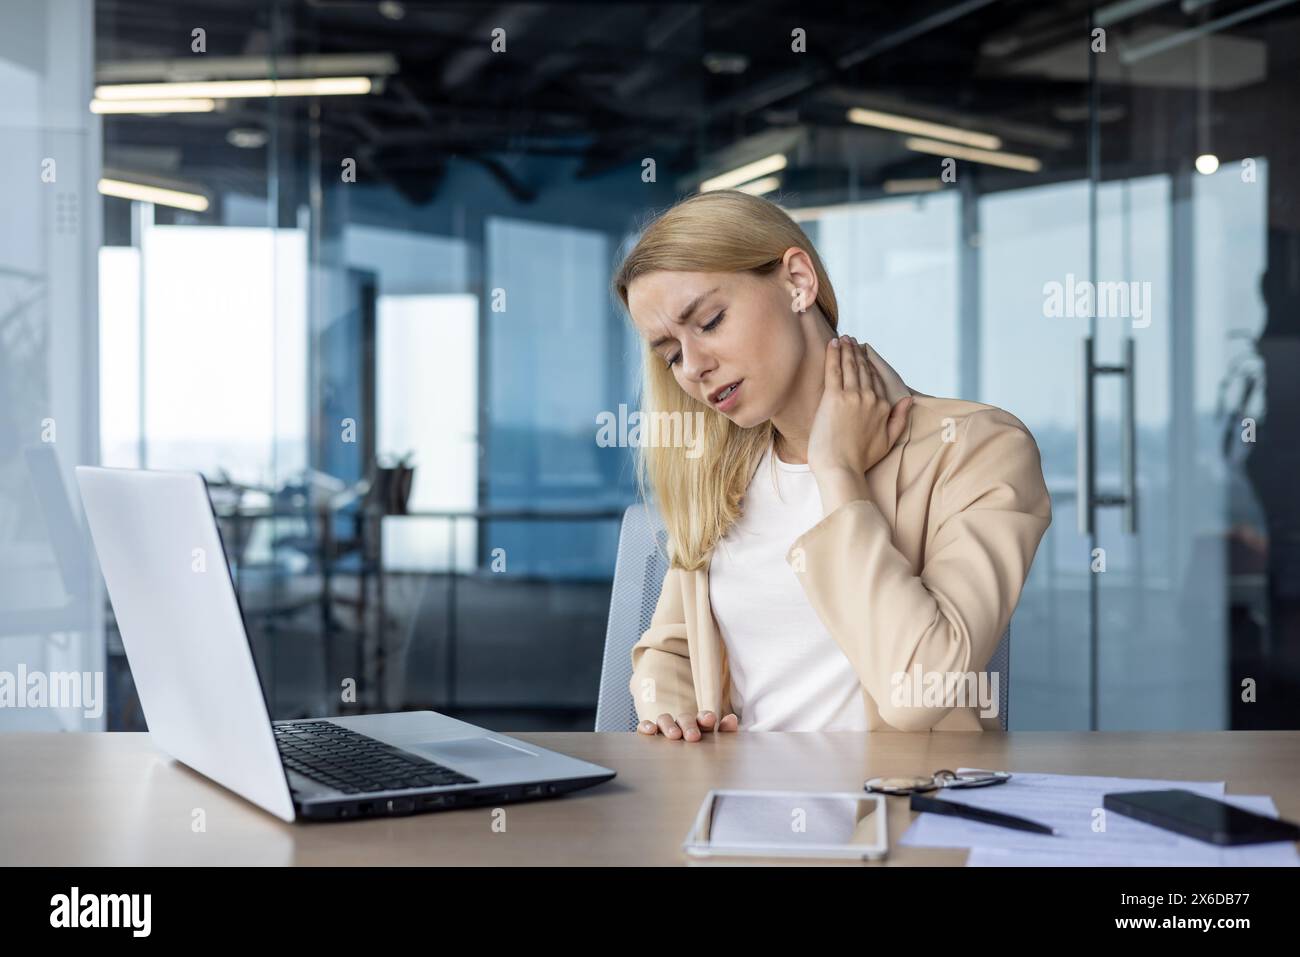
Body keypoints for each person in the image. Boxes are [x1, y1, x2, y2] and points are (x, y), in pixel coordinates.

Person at [611, 189, 1052, 738]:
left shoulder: (976, 449)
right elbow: (670, 648)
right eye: (672, 354)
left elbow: (919, 693)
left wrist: (838, 473)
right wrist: (675, 714)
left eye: (710, 321)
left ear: (798, 280)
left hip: (894, 816)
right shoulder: (721, 472)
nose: (694, 365)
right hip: (731, 812)